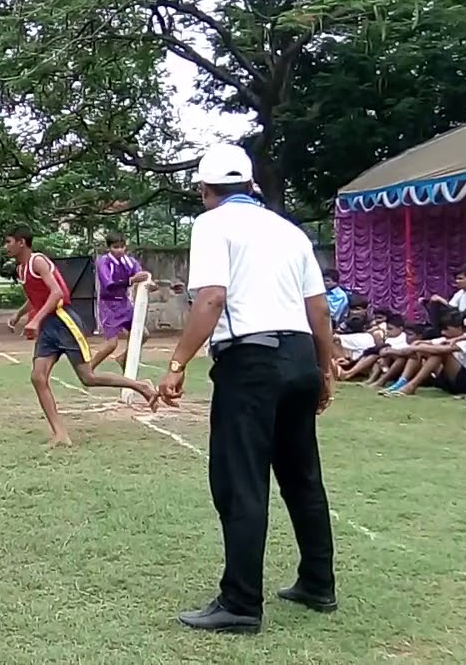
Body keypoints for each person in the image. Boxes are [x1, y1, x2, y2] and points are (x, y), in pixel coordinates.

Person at [157, 144, 336, 634]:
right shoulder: (289, 230)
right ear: (252, 186)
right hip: (299, 355)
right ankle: (318, 582)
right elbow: (317, 308)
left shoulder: (212, 224)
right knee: (301, 476)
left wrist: (176, 363)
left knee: (241, 481)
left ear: (205, 190)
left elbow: (212, 297)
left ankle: (240, 603)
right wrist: (324, 368)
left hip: (251, 361)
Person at [4, 225, 163, 447]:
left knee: (88, 377)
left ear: (21, 242)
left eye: (8, 241)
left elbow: (57, 293)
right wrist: (18, 315)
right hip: (49, 326)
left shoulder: (38, 261)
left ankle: (141, 387)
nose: (6, 247)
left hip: (64, 321)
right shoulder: (22, 269)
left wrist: (35, 320)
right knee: (37, 377)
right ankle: (60, 435)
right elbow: (37, 296)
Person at [91, 232, 152, 371]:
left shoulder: (130, 261)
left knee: (143, 334)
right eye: (115, 247)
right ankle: (89, 367)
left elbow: (141, 275)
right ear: (109, 248)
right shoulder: (104, 262)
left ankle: (124, 358)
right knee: (111, 344)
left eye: (122, 246)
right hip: (109, 306)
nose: (119, 250)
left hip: (124, 303)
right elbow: (109, 285)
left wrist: (149, 282)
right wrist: (131, 280)